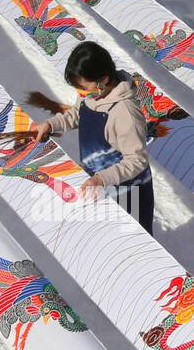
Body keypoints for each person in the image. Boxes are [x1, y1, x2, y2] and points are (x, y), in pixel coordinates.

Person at [31, 41, 154, 233]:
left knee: (131, 242)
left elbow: (137, 160)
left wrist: (101, 179)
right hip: (100, 183)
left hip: (129, 192)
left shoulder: (125, 113)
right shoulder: (93, 94)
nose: (81, 94)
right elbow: (77, 113)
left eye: (83, 88)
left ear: (103, 80)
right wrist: (51, 124)